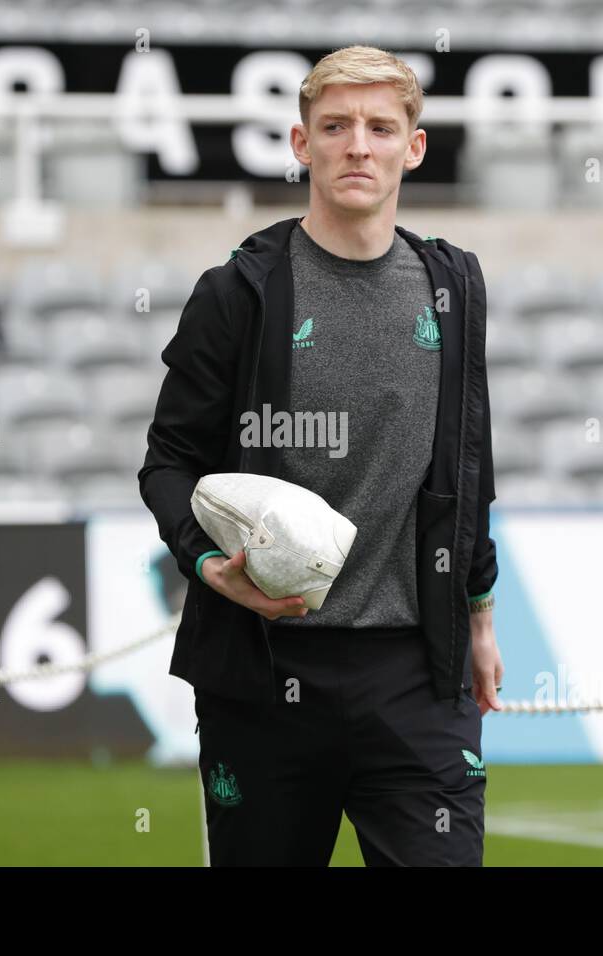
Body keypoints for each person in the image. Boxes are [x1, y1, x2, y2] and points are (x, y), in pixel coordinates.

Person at [138, 44, 502, 866]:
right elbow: (167, 463)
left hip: (417, 670)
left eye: (380, 127)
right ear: (302, 145)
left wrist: (479, 614)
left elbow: (470, 460)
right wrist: (206, 566)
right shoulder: (239, 291)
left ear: (413, 147)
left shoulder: (456, 284)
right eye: (335, 126)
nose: (357, 146)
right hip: (265, 672)